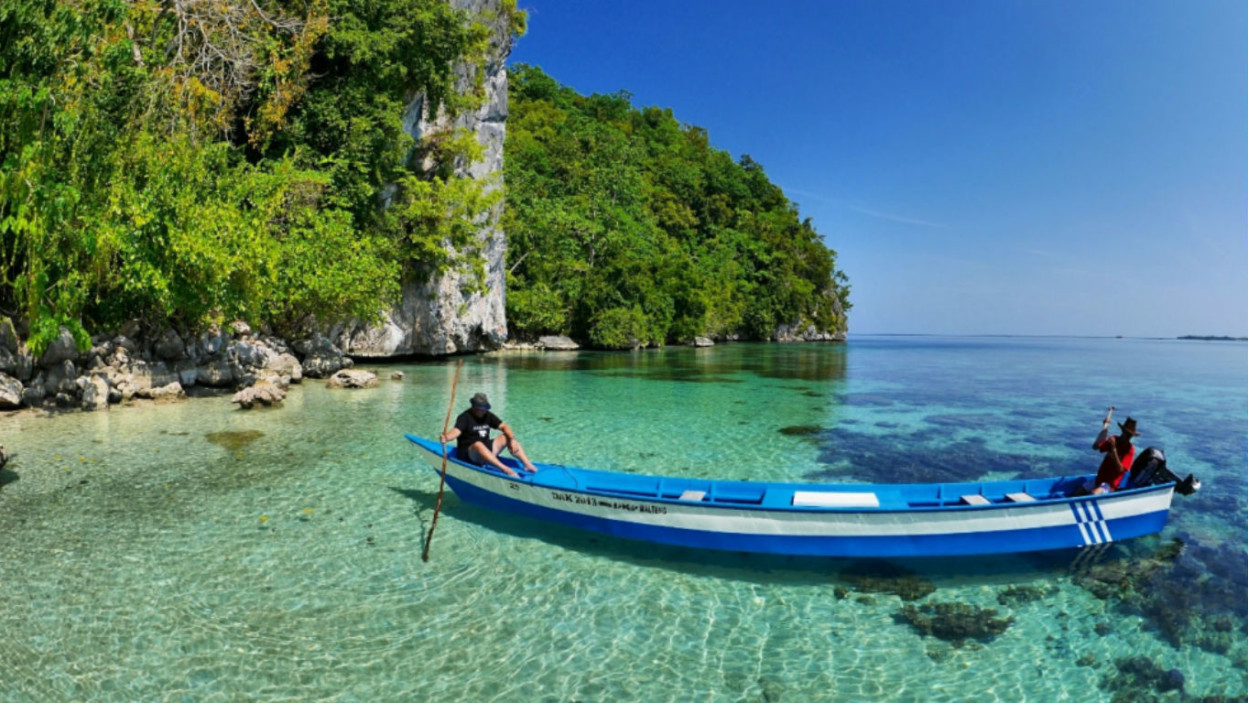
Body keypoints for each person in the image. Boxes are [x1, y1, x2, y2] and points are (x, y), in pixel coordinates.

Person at [439, 392, 538, 478]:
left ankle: (527, 464)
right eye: (480, 408)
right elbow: (456, 431)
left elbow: (504, 426)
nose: (482, 411)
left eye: (484, 408)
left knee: (506, 436)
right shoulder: (464, 417)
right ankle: (504, 469)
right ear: (474, 406)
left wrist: (511, 439)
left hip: (486, 450)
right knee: (478, 444)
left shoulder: (488, 415)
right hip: (470, 455)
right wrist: (447, 437)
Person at [1091, 408, 1138, 494]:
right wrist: (1105, 428)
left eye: (1130, 435)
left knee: (1094, 494)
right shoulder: (1114, 439)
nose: (1128, 437)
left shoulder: (1130, 449)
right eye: (1126, 434)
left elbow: (1120, 470)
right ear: (1122, 431)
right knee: (1077, 492)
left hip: (1110, 484)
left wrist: (1114, 450)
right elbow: (1096, 446)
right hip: (1099, 479)